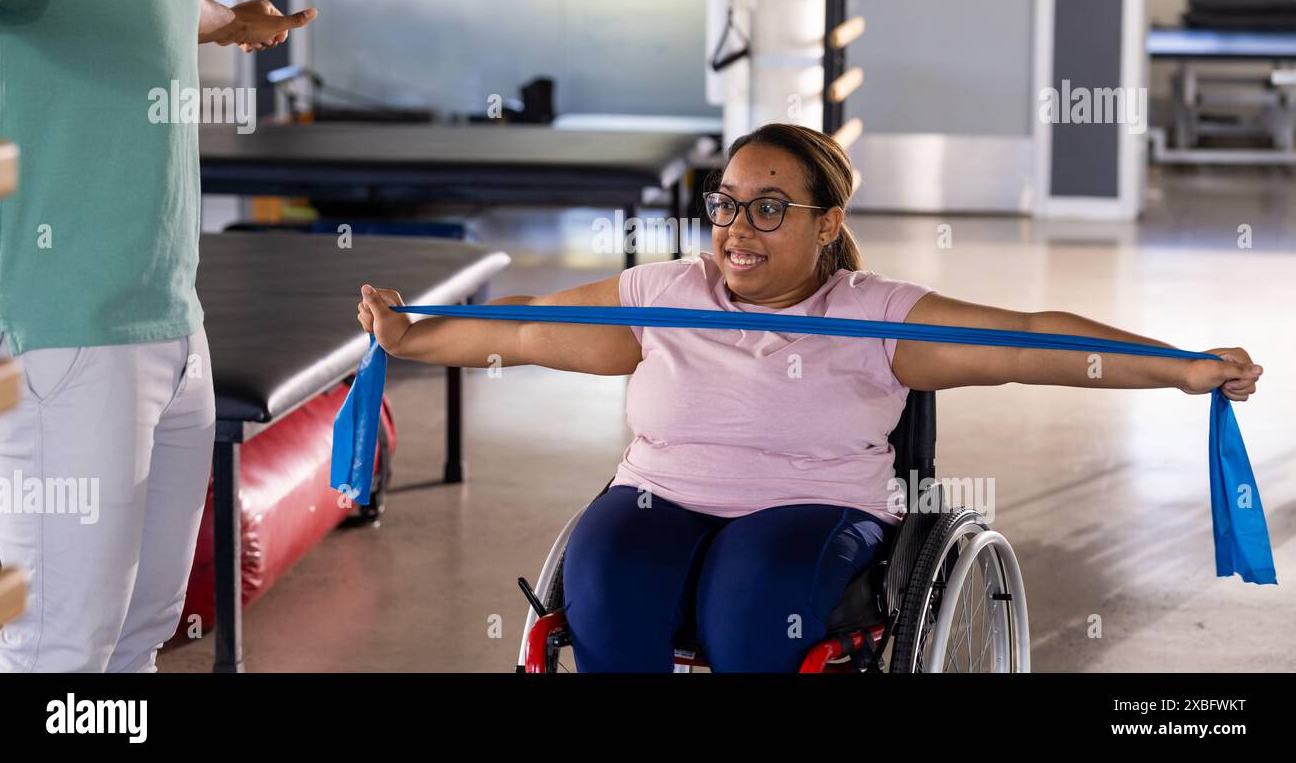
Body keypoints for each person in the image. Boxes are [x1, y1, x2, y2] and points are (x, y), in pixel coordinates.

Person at [357, 123, 1263, 673]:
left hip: (811, 507)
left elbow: (1032, 338)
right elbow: (517, 330)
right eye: (726, 204)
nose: (735, 230)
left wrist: (1182, 367)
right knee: (604, 571)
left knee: (754, 598)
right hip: (658, 495)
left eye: (768, 208)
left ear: (827, 223)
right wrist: (410, 337)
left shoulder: (876, 316)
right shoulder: (663, 295)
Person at [0, 0, 314, 672]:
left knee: (140, 634)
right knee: (58, 649)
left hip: (173, 326)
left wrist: (223, 19)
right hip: (69, 341)